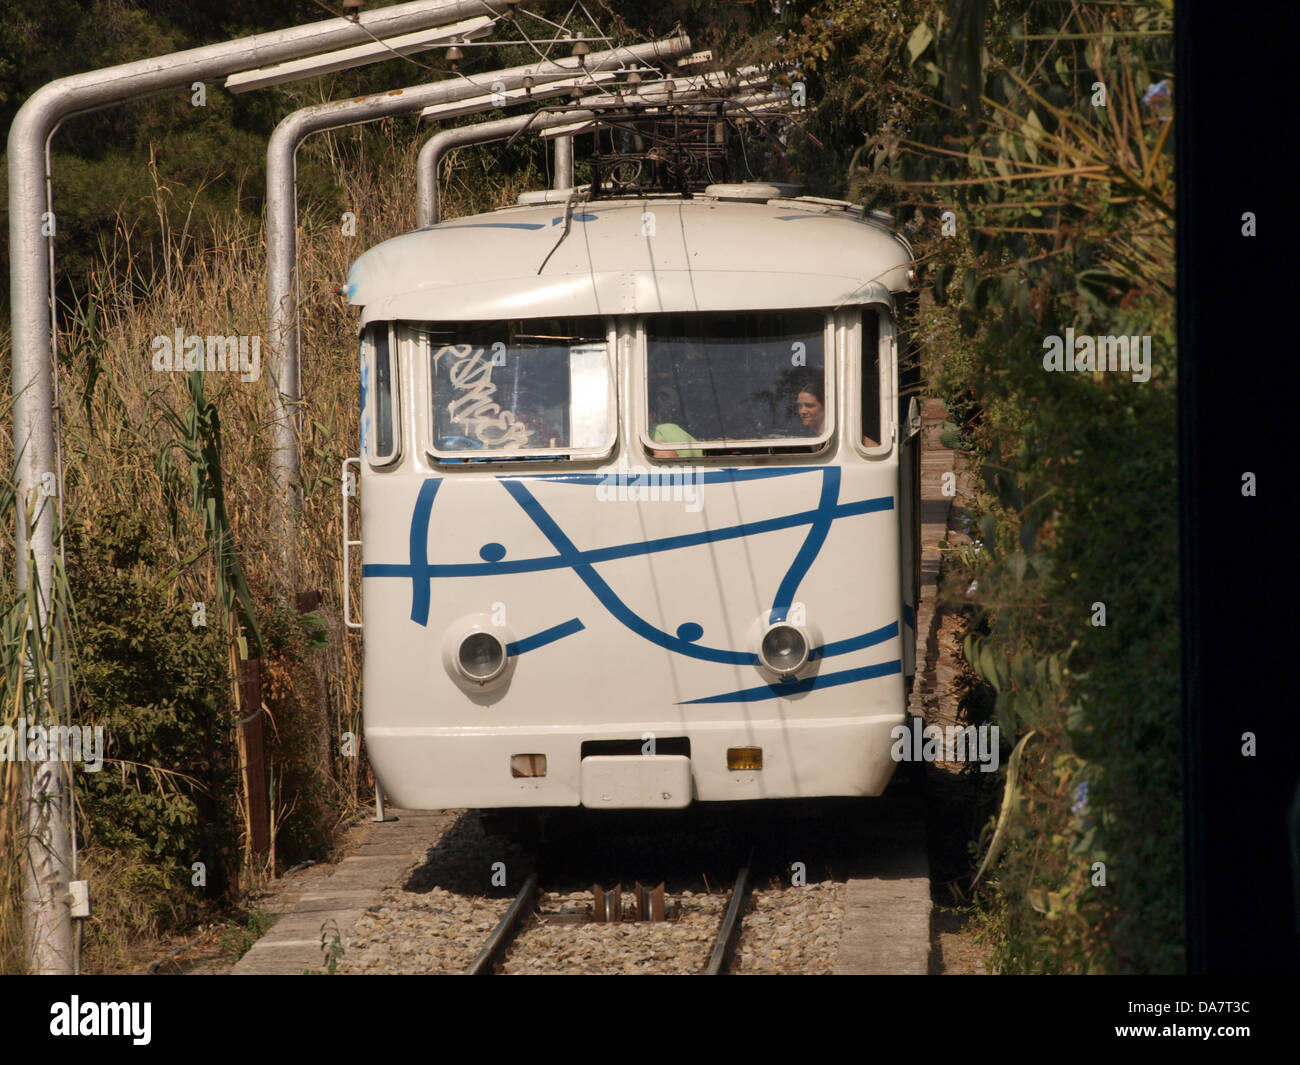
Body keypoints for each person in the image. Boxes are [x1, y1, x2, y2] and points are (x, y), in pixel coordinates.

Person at [649, 384, 702, 458]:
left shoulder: (652, 431)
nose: (659, 400)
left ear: (651, 416)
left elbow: (666, 457)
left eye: (664, 397)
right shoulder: (671, 427)